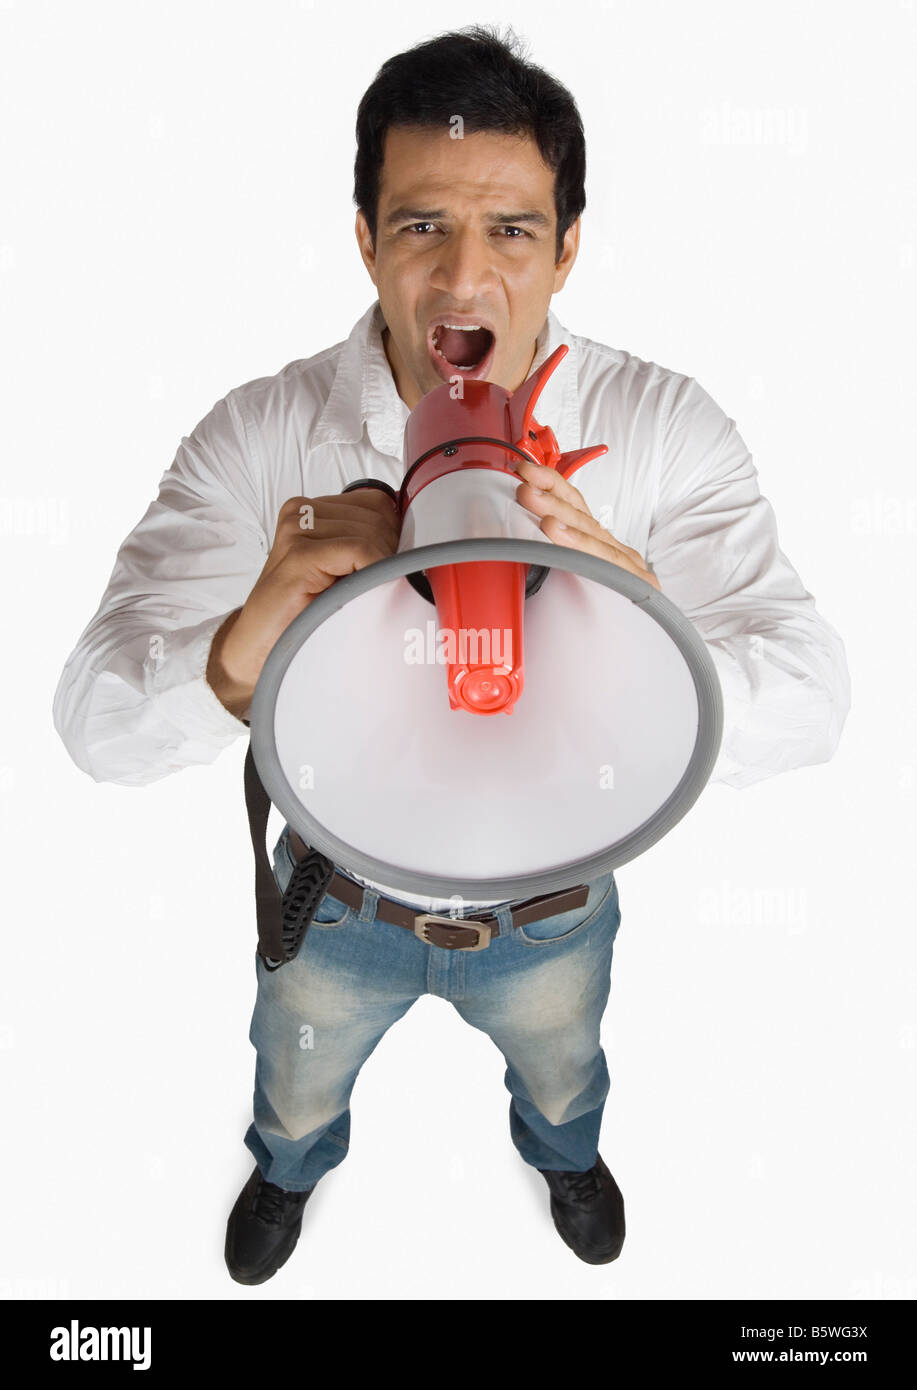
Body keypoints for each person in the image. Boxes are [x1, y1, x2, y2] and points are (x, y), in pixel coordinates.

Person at [51, 25, 851, 1285]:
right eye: (421, 226)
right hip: (334, 900)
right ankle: (288, 1166)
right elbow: (94, 727)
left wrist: (646, 618)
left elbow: (811, 702)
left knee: (563, 1058)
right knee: (298, 1070)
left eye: (513, 231)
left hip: (550, 906)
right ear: (365, 238)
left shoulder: (664, 430)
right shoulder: (264, 435)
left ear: (567, 246)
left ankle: (562, 1154)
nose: (465, 279)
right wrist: (240, 646)